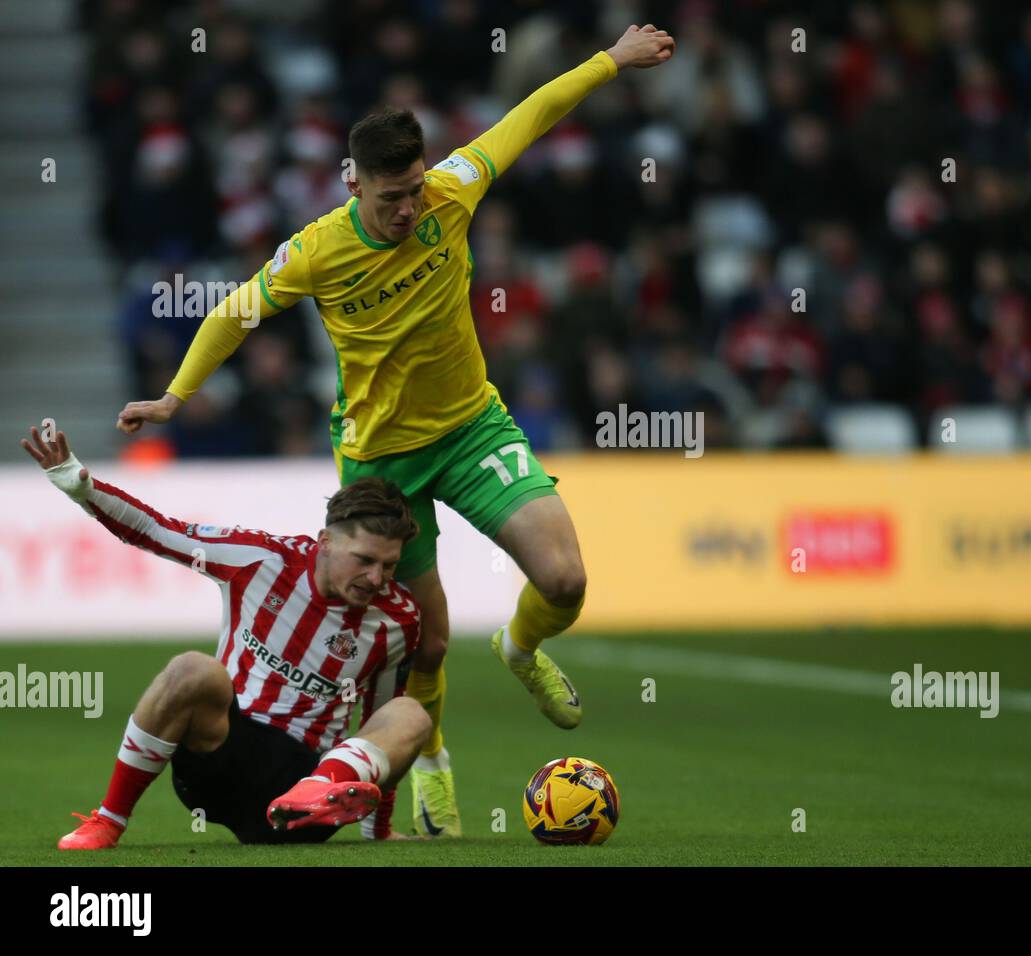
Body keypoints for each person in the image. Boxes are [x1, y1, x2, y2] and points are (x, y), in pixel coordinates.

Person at [114, 24, 676, 838]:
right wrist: (175, 395)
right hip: (382, 457)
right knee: (429, 641)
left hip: (473, 426)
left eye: (415, 188)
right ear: (354, 185)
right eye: (392, 197)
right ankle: (434, 769)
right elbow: (237, 311)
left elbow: (533, 112)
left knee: (564, 580)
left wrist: (611, 60)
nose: (410, 207)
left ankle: (520, 650)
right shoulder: (318, 250)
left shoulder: (454, 187)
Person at [22, 424, 431, 849]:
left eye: (388, 566)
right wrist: (79, 486)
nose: (375, 578)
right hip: (220, 758)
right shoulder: (259, 559)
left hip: (308, 789)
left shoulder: (398, 619)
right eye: (364, 560)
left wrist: (378, 829)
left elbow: (378, 727)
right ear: (325, 541)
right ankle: (108, 820)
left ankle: (314, 794)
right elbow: (158, 531)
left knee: (410, 714)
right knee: (192, 670)